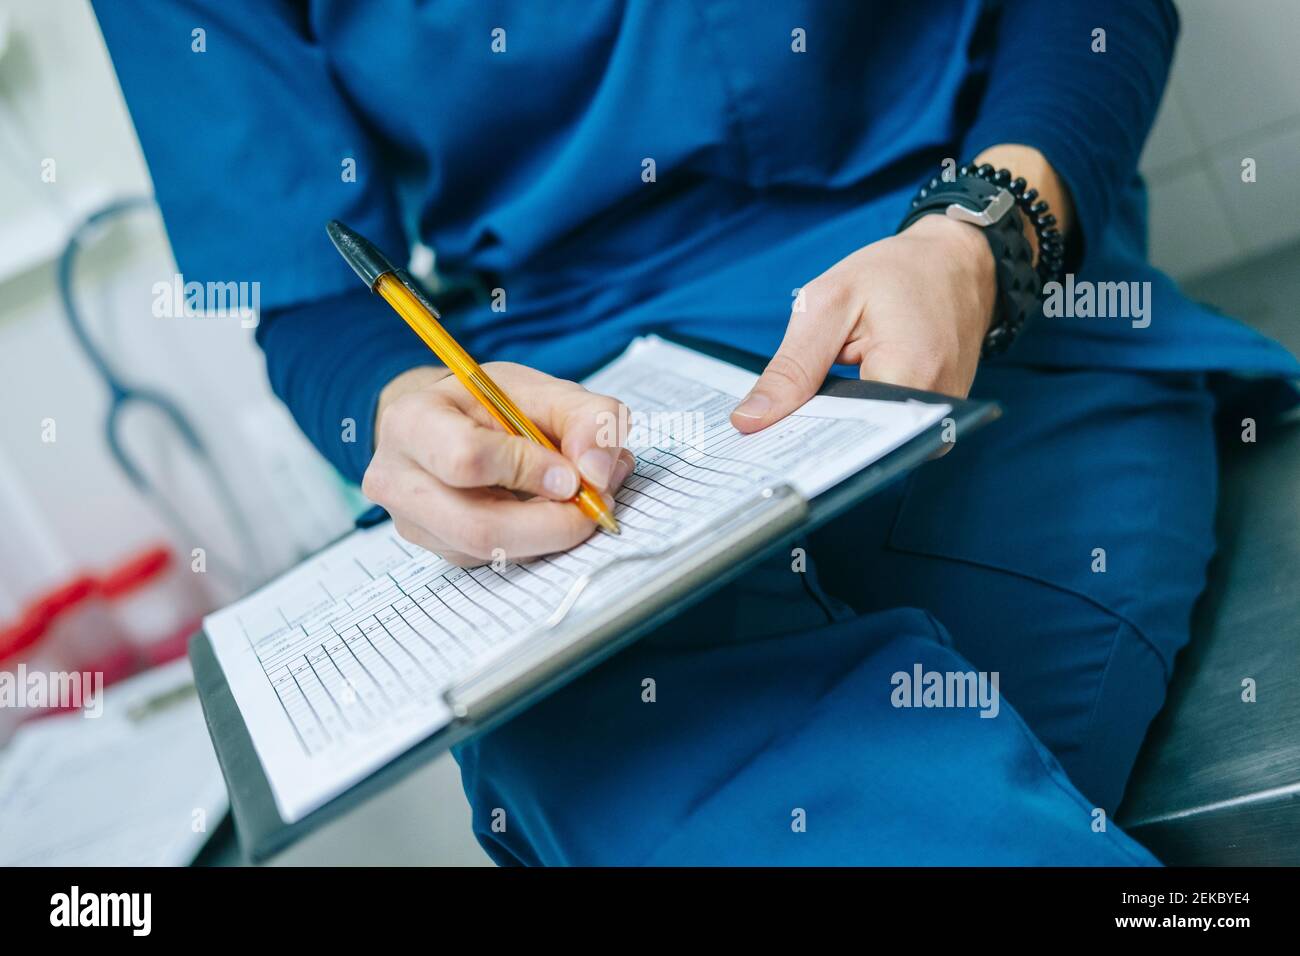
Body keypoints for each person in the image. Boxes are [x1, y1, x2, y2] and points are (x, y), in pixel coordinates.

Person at [95, 0, 1297, 864]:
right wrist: (398, 405)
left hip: (967, 296)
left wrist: (980, 233)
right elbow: (309, 294)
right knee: (626, 752)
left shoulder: (972, 255)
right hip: (563, 392)